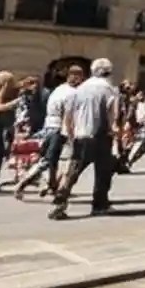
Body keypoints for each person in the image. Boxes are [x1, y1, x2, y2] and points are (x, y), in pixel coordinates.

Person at [49, 58, 120, 220]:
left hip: (80, 135)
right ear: (109, 72)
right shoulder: (110, 89)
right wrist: (114, 130)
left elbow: (68, 113)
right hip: (100, 135)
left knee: (74, 169)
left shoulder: (80, 88)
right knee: (103, 172)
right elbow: (112, 114)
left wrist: (70, 133)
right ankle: (100, 204)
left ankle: (60, 199)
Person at [14, 64, 83, 199]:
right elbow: (68, 115)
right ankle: (23, 183)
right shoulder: (72, 93)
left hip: (49, 126)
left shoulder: (59, 89)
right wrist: (70, 135)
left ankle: (52, 185)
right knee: (49, 159)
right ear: (76, 77)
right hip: (59, 128)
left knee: (52, 160)